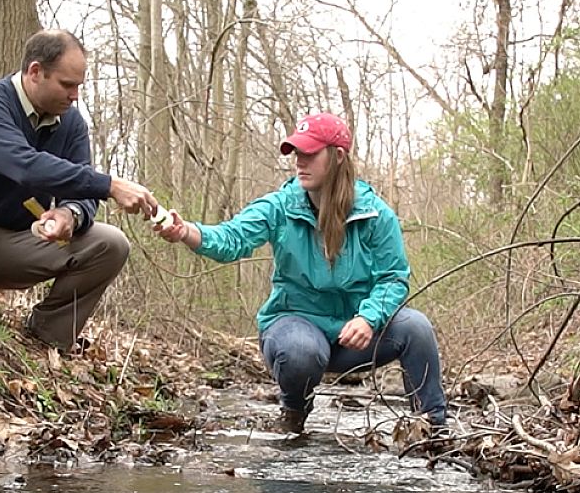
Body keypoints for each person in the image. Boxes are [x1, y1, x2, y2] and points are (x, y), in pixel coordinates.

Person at [154, 113, 447, 433]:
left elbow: (394, 277)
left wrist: (369, 317)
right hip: (296, 326)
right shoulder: (280, 207)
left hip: (356, 334)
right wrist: (187, 232)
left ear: (337, 157)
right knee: (301, 353)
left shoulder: (376, 215)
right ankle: (294, 412)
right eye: (296, 153)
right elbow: (232, 239)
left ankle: (433, 425)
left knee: (416, 327)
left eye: (309, 154)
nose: (299, 162)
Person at [0, 29, 157, 352]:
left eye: (79, 87)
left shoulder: (72, 125)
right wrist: (109, 185)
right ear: (35, 72)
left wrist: (70, 214)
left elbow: (81, 194)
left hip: (18, 245)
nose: (75, 97)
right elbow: (26, 166)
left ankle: (46, 338)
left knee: (111, 243)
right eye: (67, 85)